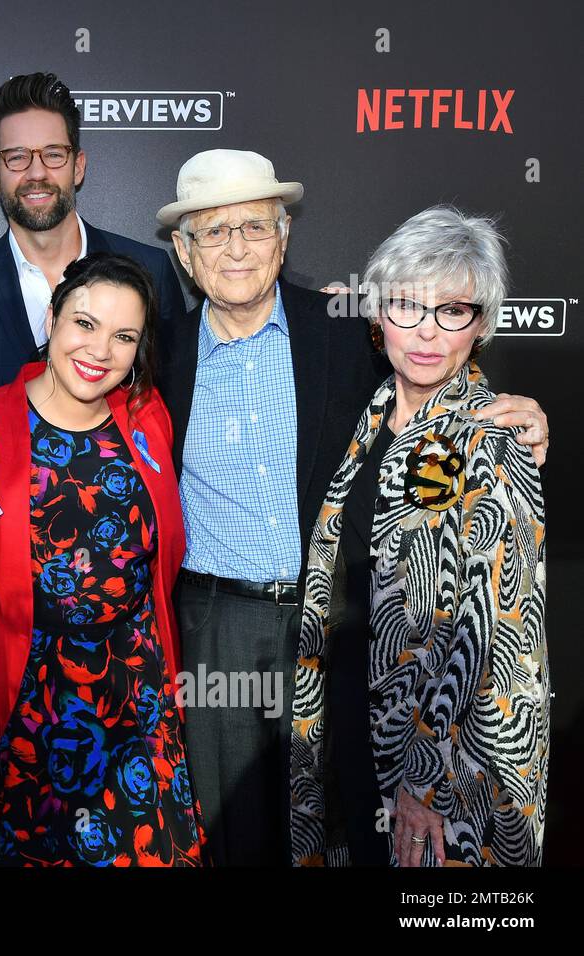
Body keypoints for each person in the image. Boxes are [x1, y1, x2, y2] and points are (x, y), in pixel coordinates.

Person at [153, 149, 551, 865]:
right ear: (184, 253)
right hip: (216, 627)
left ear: (284, 237)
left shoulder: (340, 328)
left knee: (345, 831)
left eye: (254, 227)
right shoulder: (155, 352)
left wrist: (517, 415)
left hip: (344, 639)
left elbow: (488, 600)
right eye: (213, 233)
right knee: (237, 836)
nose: (236, 248)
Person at [290, 206, 549, 867]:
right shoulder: (367, 419)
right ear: (377, 318)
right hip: (353, 706)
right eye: (407, 306)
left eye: (452, 310)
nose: (427, 332)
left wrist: (427, 779)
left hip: (446, 748)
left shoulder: (494, 438)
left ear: (481, 325)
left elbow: (485, 629)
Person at [0, 253, 206, 866]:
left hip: (134, 693)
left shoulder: (147, 415)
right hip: (26, 694)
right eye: (85, 324)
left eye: (124, 337)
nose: (101, 351)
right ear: (53, 318)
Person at [0, 72, 187, 400]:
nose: (36, 173)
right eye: (17, 157)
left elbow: (169, 402)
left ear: (77, 166)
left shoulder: (150, 269)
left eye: (53, 155)